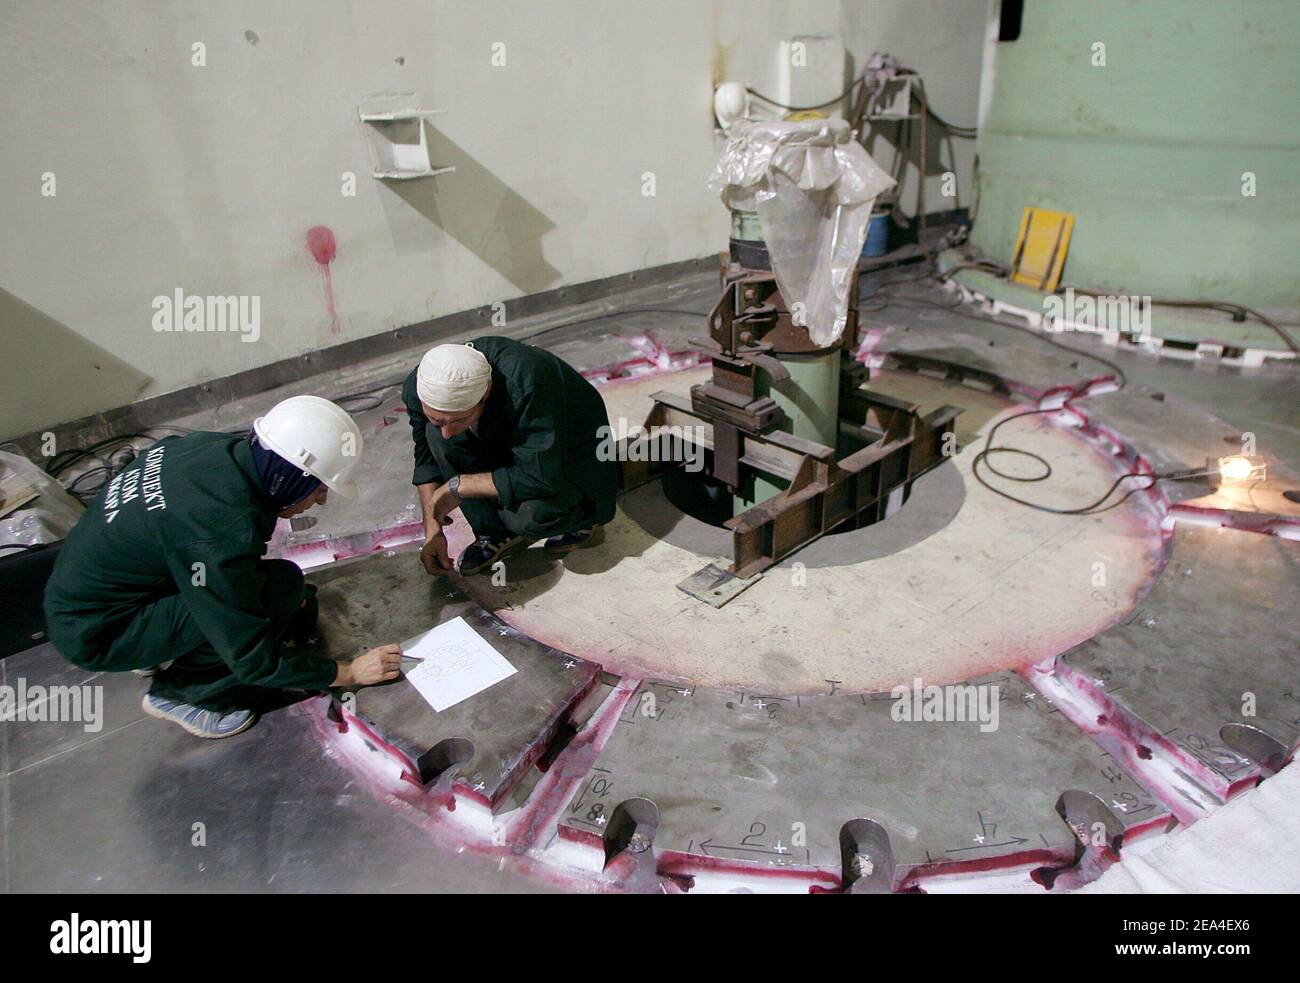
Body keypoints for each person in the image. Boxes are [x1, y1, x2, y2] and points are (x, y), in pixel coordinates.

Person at [43, 395, 403, 739]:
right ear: (294, 476)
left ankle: (159, 640)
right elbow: (252, 657)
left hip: (92, 594)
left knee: (281, 586)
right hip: (95, 632)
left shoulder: (209, 449)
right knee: (271, 596)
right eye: (320, 487)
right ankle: (184, 694)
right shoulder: (219, 531)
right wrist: (350, 671)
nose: (322, 500)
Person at [404, 337, 617, 576]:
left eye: (459, 419)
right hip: (508, 438)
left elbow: (542, 476)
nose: (448, 432)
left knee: (531, 518)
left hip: (566, 450)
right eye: (437, 419)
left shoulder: (528, 377)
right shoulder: (421, 384)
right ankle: (493, 533)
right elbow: (425, 459)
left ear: (486, 392)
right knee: (434, 436)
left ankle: (581, 516)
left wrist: (458, 486)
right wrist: (432, 533)